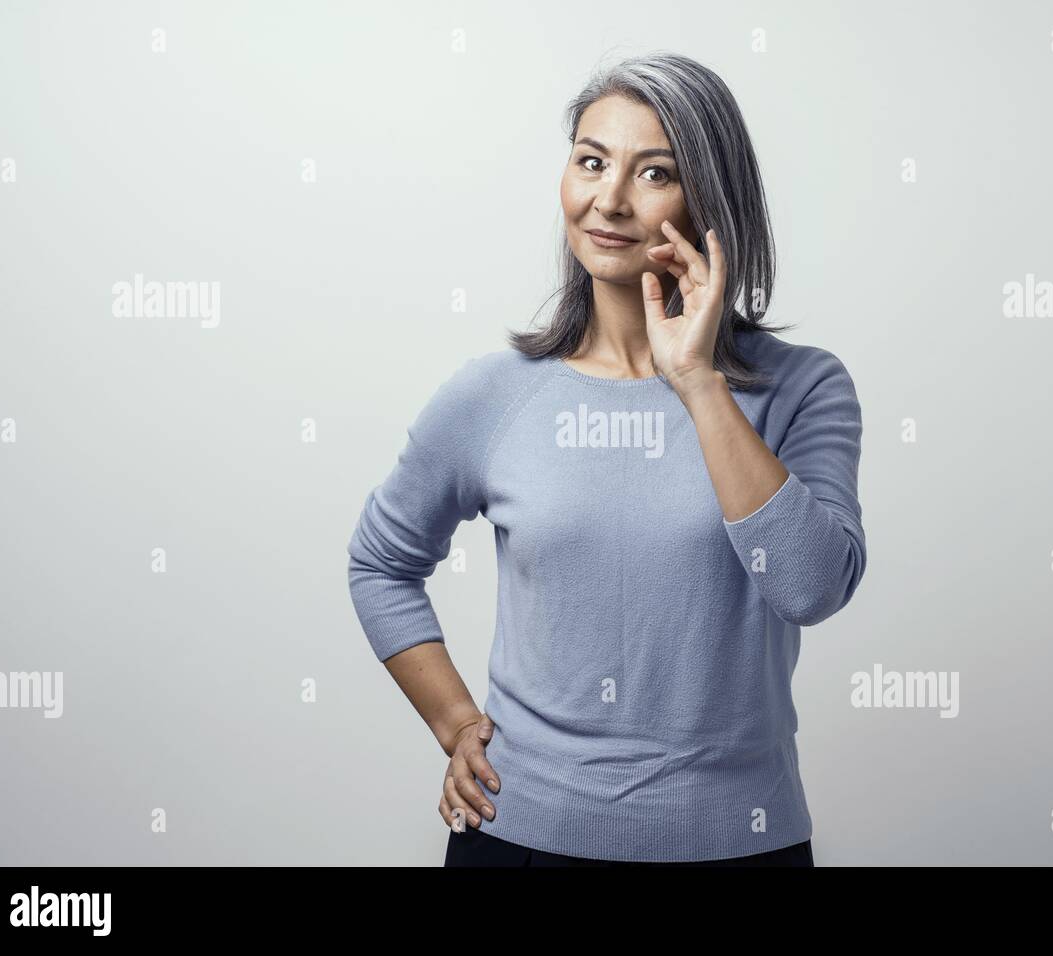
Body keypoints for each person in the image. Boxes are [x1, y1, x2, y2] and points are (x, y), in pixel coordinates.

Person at [347, 51, 867, 867]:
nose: (609, 199)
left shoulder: (802, 389)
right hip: (523, 841)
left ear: (710, 201)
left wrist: (697, 382)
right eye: (591, 161)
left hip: (744, 846)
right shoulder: (495, 395)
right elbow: (380, 562)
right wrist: (456, 725)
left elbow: (807, 587)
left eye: (654, 172)